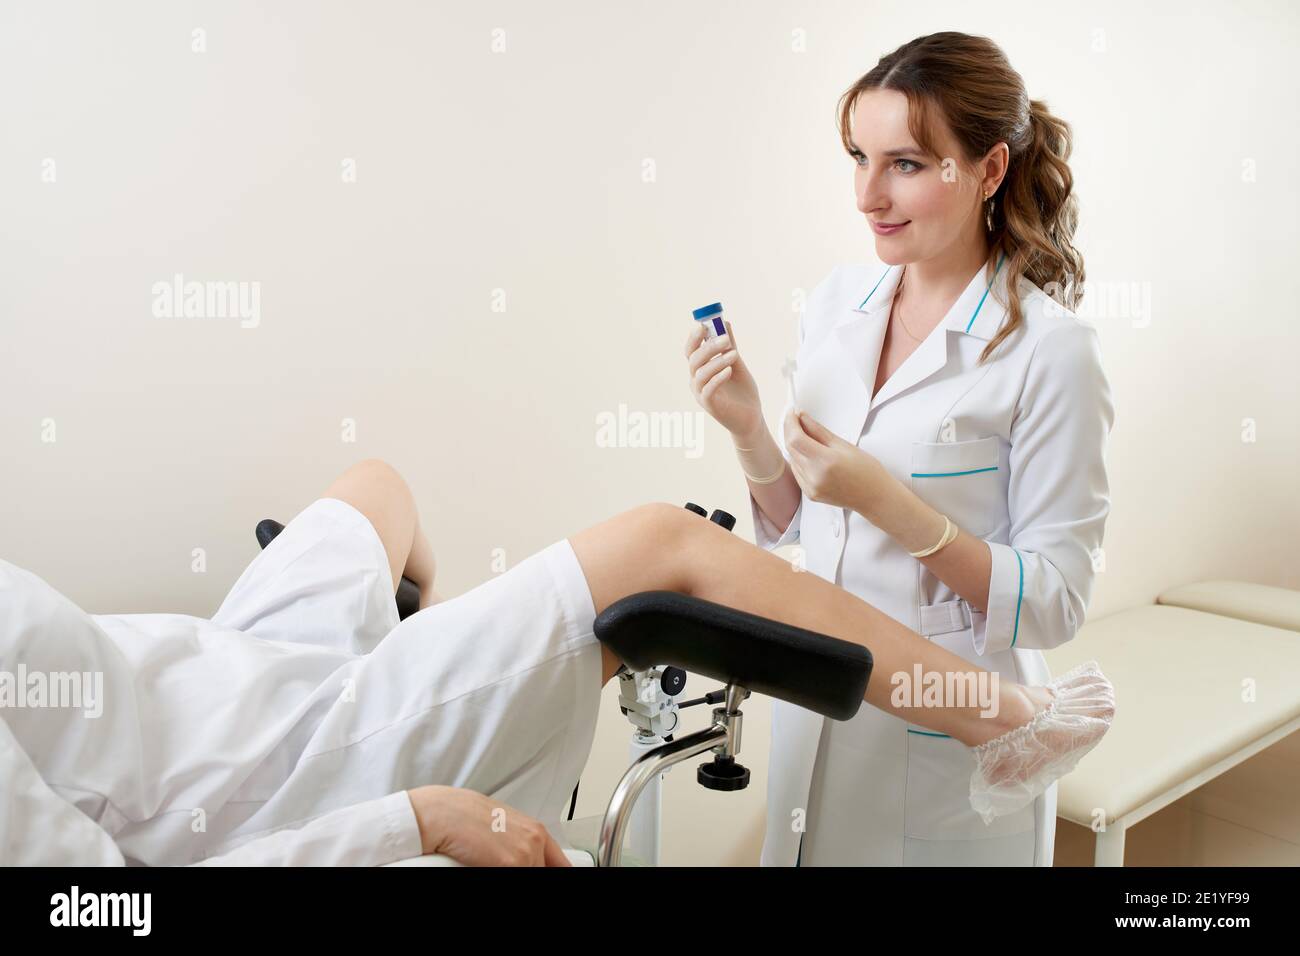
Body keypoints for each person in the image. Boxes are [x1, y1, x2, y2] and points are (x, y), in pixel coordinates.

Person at [0, 459, 1113, 867]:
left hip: (212, 673)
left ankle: (425, 672)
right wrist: (415, 816)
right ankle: (998, 722)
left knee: (372, 486)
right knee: (663, 543)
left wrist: (416, 631)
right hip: (265, 774)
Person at [686, 32, 1114, 865]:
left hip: (946, 747)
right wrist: (746, 428)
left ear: (988, 171)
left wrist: (889, 504)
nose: (868, 195)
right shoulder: (838, 304)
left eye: (907, 165)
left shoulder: (1050, 352)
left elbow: (1057, 600)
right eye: (859, 158)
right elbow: (797, 526)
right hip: (817, 705)